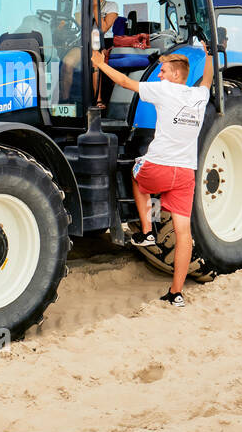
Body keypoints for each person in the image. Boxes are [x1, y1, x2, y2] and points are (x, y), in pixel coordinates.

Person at [90, 50, 212, 306]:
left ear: (176, 75)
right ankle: (176, 293)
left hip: (159, 168)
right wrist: (209, 56)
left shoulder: (164, 90)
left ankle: (147, 231)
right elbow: (208, 80)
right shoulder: (199, 96)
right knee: (183, 235)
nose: (159, 74)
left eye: (164, 71)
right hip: (185, 174)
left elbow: (125, 83)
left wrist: (101, 64)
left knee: (136, 174)